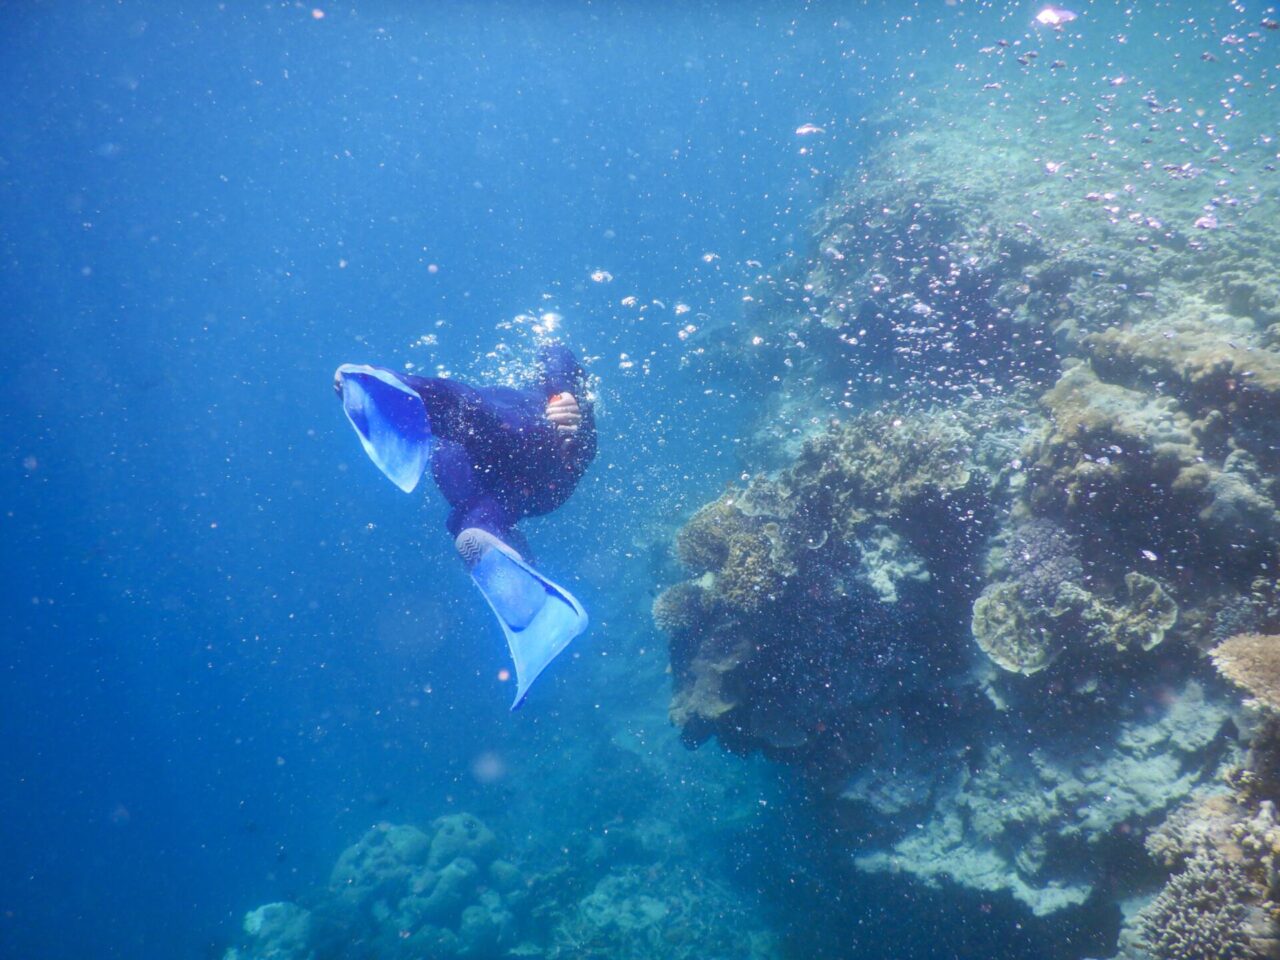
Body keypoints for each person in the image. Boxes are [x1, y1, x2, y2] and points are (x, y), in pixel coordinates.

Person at [333, 342, 596, 709]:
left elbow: (555, 352)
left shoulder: (533, 401)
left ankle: (399, 387)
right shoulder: (546, 398)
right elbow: (556, 353)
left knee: (474, 421)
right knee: (481, 505)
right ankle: (509, 562)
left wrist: (560, 391)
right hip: (538, 486)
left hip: (515, 454)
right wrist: (563, 390)